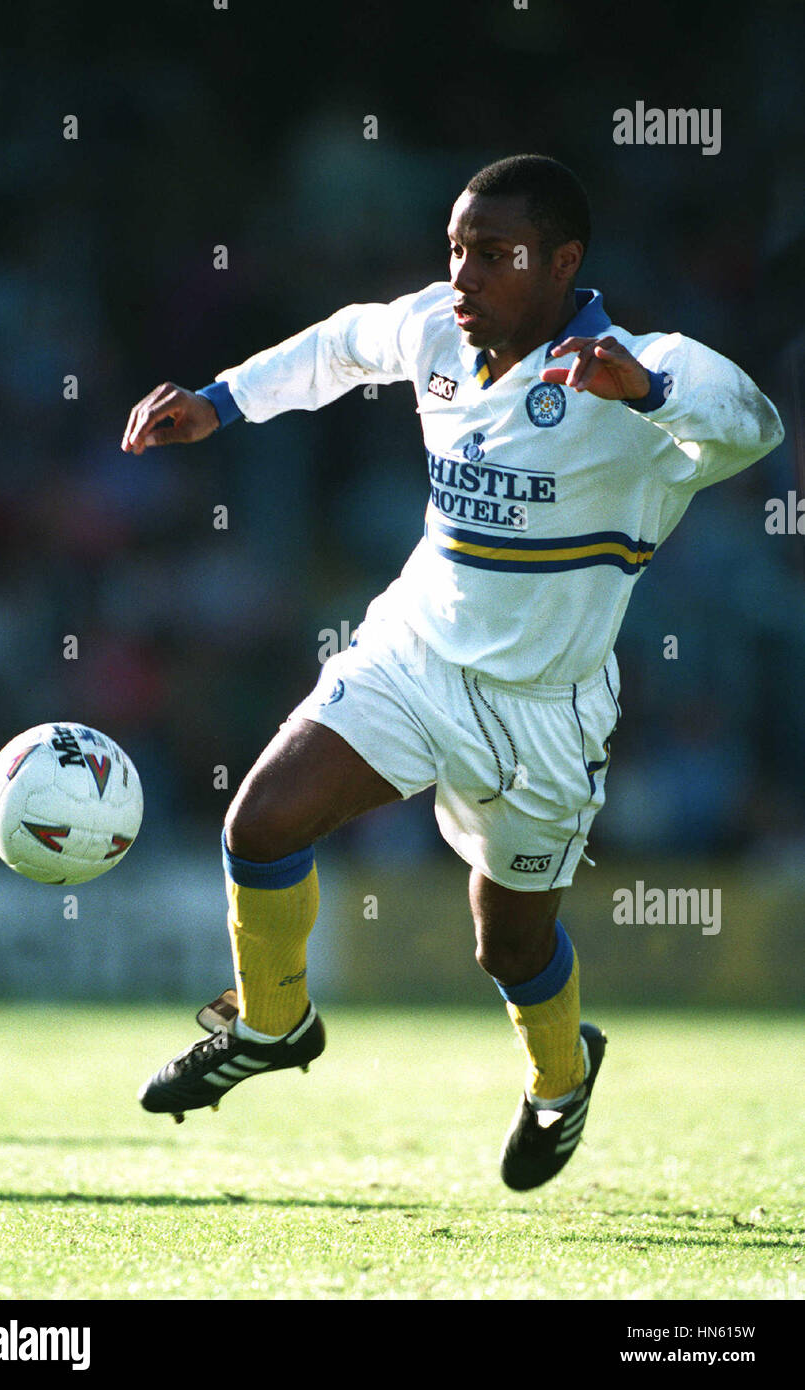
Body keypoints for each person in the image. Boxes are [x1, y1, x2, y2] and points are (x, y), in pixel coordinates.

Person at [122, 154, 784, 1190]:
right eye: (456, 250)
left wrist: (645, 389)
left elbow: (751, 422)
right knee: (260, 823)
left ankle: (560, 1080)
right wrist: (220, 402)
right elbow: (342, 345)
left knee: (508, 945)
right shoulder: (437, 328)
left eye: (493, 255)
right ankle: (272, 1021)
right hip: (413, 655)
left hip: (543, 715)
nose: (464, 277)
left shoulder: (638, 374)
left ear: (562, 261)